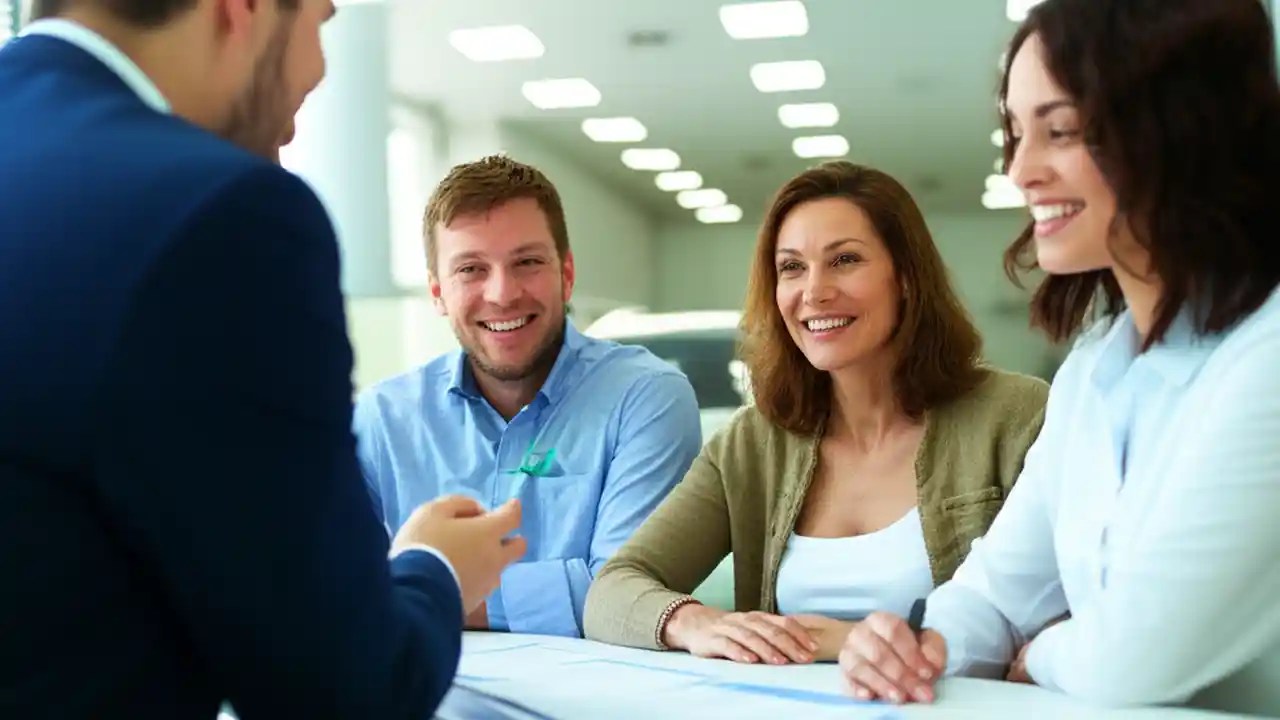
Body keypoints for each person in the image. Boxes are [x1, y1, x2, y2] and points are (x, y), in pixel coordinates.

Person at [0, 1, 525, 718]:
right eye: (320, 20)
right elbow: (341, 691)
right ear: (241, 9)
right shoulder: (219, 215)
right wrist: (434, 568)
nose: (312, 81)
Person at [836, 0, 1280, 714]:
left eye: (1062, 131)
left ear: (1183, 128)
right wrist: (919, 646)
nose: (1021, 169)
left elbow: (1135, 662)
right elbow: (995, 589)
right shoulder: (1095, 368)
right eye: (1014, 133)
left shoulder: (1265, 362)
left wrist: (1040, 654)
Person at [582, 162, 1049, 673]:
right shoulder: (751, 443)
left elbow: (1067, 616)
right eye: (791, 267)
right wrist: (698, 624)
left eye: (844, 260)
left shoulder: (1016, 417)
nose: (814, 291)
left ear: (908, 278)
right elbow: (612, 590)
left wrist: (854, 640)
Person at [354, 155, 703, 638]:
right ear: (437, 292)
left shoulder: (644, 398)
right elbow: (337, 589)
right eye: (471, 269)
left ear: (567, 273)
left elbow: (626, 594)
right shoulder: (381, 420)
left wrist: (421, 589)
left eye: (527, 262)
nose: (502, 293)